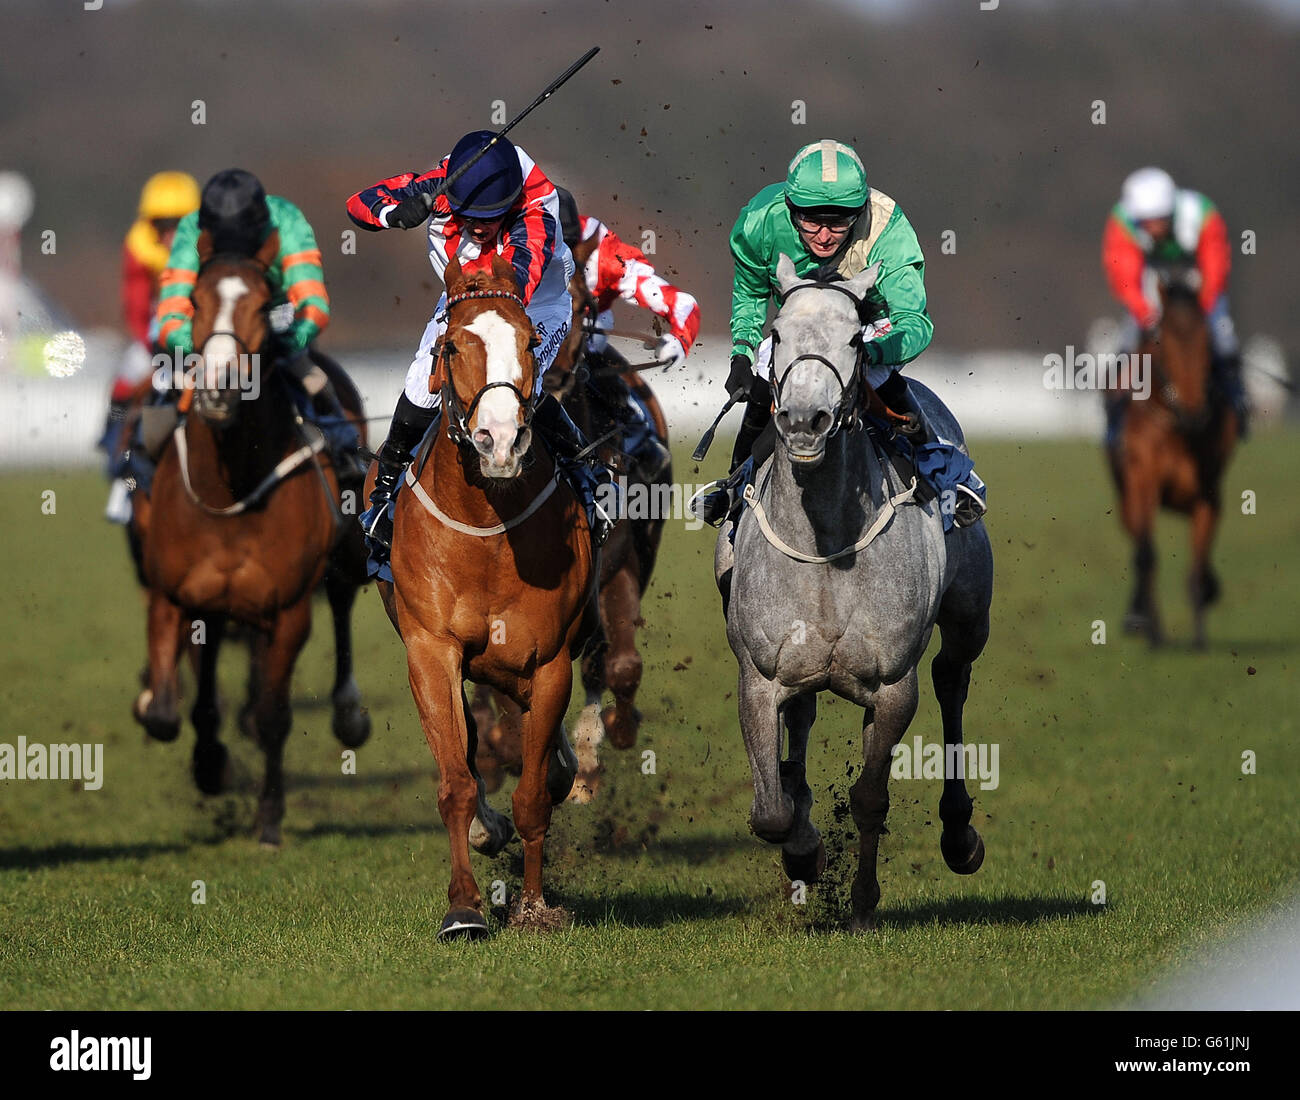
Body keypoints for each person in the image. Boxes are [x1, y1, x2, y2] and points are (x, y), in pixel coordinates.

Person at [345, 131, 613, 576]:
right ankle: (386, 488)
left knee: (517, 376)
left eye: (490, 218)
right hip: (462, 297)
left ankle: (586, 475)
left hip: (533, 301)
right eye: (471, 216)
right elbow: (358, 203)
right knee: (421, 381)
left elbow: (510, 289)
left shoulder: (536, 213)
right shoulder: (444, 183)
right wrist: (397, 211)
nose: (479, 225)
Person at [696, 139, 986, 528]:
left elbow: (915, 323)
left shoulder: (889, 232)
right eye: (810, 220)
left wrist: (870, 353)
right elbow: (751, 295)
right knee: (767, 371)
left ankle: (944, 471)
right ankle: (736, 485)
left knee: (867, 373)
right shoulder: (759, 222)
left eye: (839, 221)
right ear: (790, 209)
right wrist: (741, 354)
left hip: (871, 326)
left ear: (860, 212)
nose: (824, 235)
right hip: (804, 323)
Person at [156, 169, 365, 477]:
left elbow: (313, 304)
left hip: (275, 321)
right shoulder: (192, 227)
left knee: (315, 383)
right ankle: (138, 476)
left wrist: (286, 340)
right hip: (209, 330)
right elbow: (172, 314)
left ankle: (347, 459)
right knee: (162, 389)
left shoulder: (286, 220)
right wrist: (204, 346)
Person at [552, 185, 700, 478]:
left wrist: (679, 339)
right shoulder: (513, 239)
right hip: (526, 333)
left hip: (584, 333)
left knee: (593, 365)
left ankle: (636, 437)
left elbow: (680, 304)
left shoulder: (607, 257)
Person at [1102, 166, 1247, 439]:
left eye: (1158, 220)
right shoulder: (1122, 223)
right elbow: (1124, 278)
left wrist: (1197, 316)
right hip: (1151, 282)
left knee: (1224, 339)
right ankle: (1115, 418)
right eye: (1145, 222)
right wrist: (1148, 316)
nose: (1152, 228)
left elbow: (1215, 267)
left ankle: (1238, 404)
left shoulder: (1203, 215)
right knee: (1127, 343)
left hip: (1198, 283)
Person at [100, 171, 200, 522]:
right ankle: (118, 462)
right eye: (162, 223)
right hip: (155, 337)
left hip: (199, 336)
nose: (170, 232)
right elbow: (137, 307)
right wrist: (157, 348)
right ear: (150, 223)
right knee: (126, 384)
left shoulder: (207, 244)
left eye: (178, 222)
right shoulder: (138, 246)